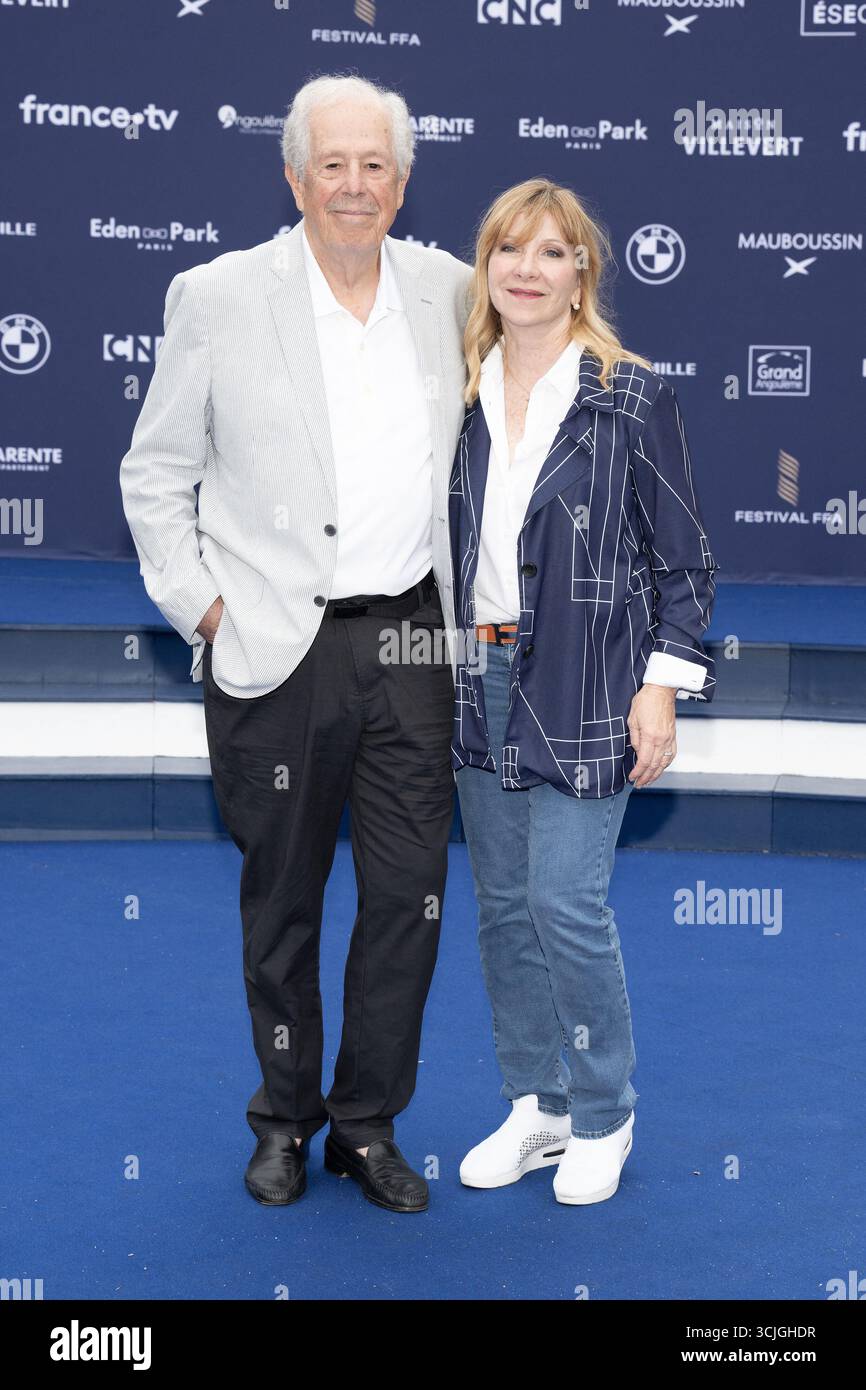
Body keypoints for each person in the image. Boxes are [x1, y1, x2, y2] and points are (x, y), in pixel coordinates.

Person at [119, 75, 472, 1213]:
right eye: (333, 165)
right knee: (280, 899)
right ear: (292, 176)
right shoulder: (218, 297)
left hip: (413, 641)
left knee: (409, 894)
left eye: (375, 166)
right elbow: (154, 474)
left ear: (403, 182)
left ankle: (365, 1124)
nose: (354, 185)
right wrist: (208, 610)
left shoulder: (451, 293)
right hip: (276, 646)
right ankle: (283, 1116)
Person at [450, 178, 718, 1204]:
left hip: (588, 676)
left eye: (551, 252)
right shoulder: (460, 388)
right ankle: (537, 1106)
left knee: (565, 901)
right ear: (486, 268)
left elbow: (684, 563)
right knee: (503, 911)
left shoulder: (630, 392)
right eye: (508, 249)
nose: (526, 268)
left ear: (581, 276)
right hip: (476, 672)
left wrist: (661, 687)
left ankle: (603, 1111)